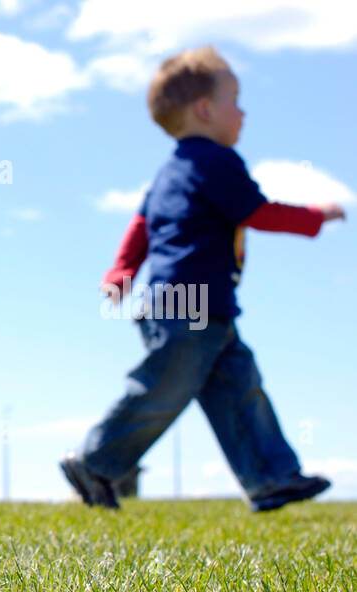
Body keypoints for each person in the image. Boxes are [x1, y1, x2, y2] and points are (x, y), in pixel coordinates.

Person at [60, 46, 345, 512]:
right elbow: (258, 212)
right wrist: (317, 217)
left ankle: (272, 478)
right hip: (188, 303)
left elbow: (140, 224)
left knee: (238, 385)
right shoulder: (215, 163)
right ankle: (94, 463)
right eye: (236, 100)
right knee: (164, 389)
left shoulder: (170, 173)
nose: (244, 112)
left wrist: (123, 270)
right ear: (205, 110)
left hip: (198, 305)